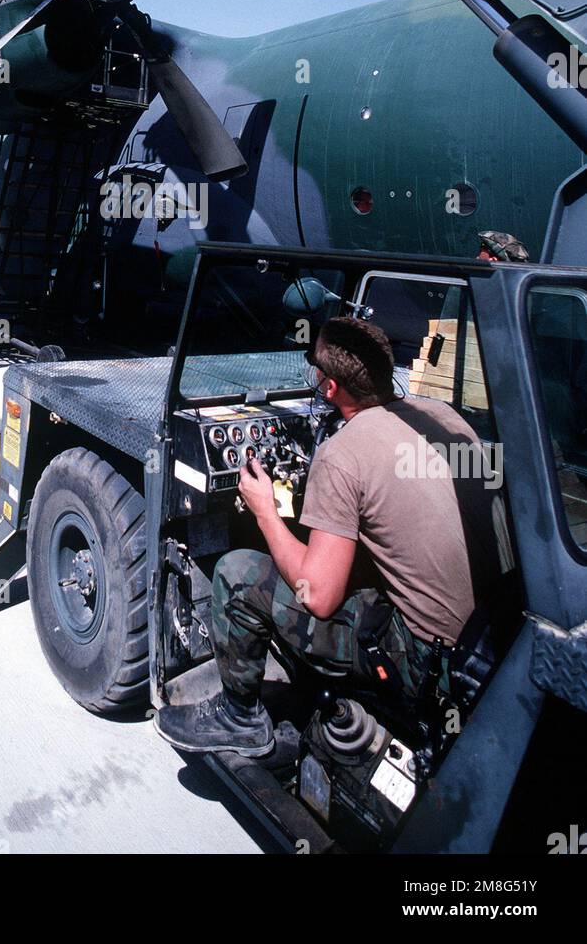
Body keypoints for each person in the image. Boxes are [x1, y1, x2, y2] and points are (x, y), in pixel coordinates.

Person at [154, 315, 507, 756]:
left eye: (318, 374)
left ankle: (239, 717)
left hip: (428, 661)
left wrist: (264, 511)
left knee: (237, 572)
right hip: (493, 637)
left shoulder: (343, 454)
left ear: (331, 389)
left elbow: (318, 597)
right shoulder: (441, 416)